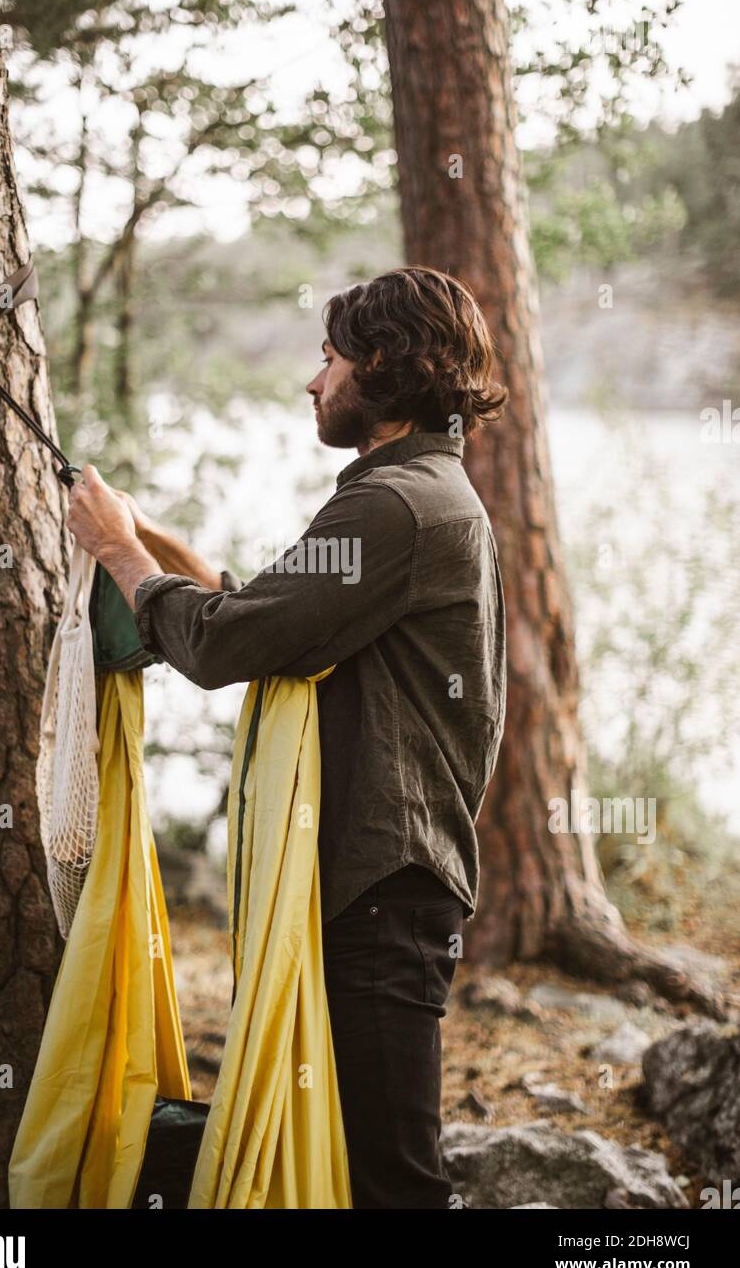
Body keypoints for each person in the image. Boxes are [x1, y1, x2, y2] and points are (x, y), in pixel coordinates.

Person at [66, 264, 508, 1209]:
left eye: (331, 357)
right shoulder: (417, 494)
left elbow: (230, 642)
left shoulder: (395, 507)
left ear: (381, 362)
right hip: (383, 888)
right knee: (354, 1166)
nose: (314, 381)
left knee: (394, 1180)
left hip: (383, 894)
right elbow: (266, 614)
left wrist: (116, 552)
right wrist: (147, 535)